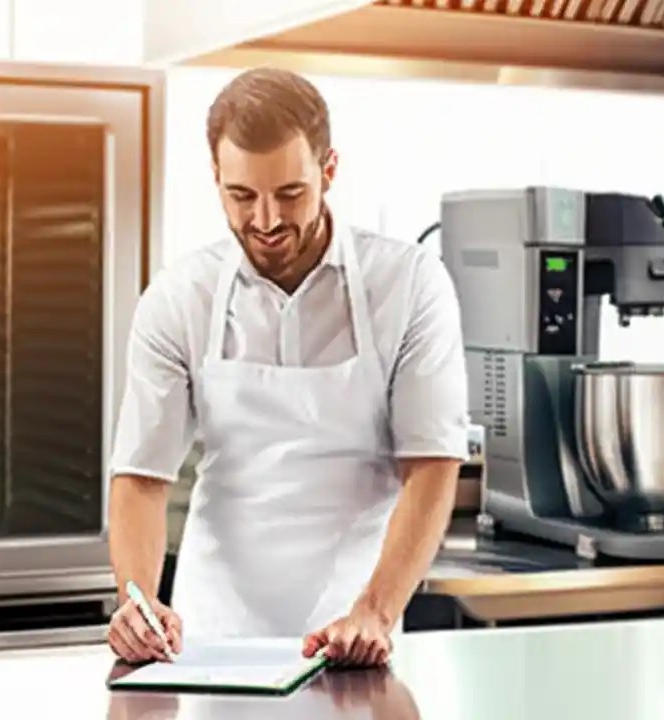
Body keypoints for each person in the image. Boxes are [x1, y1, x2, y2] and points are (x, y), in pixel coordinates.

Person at [104, 67, 469, 668]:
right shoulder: (179, 297)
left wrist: (376, 611)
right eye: (242, 196)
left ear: (328, 171)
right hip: (210, 638)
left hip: (357, 630)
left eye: (290, 194)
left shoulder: (406, 284)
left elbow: (431, 465)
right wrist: (137, 602)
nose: (267, 221)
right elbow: (142, 475)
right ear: (216, 178)